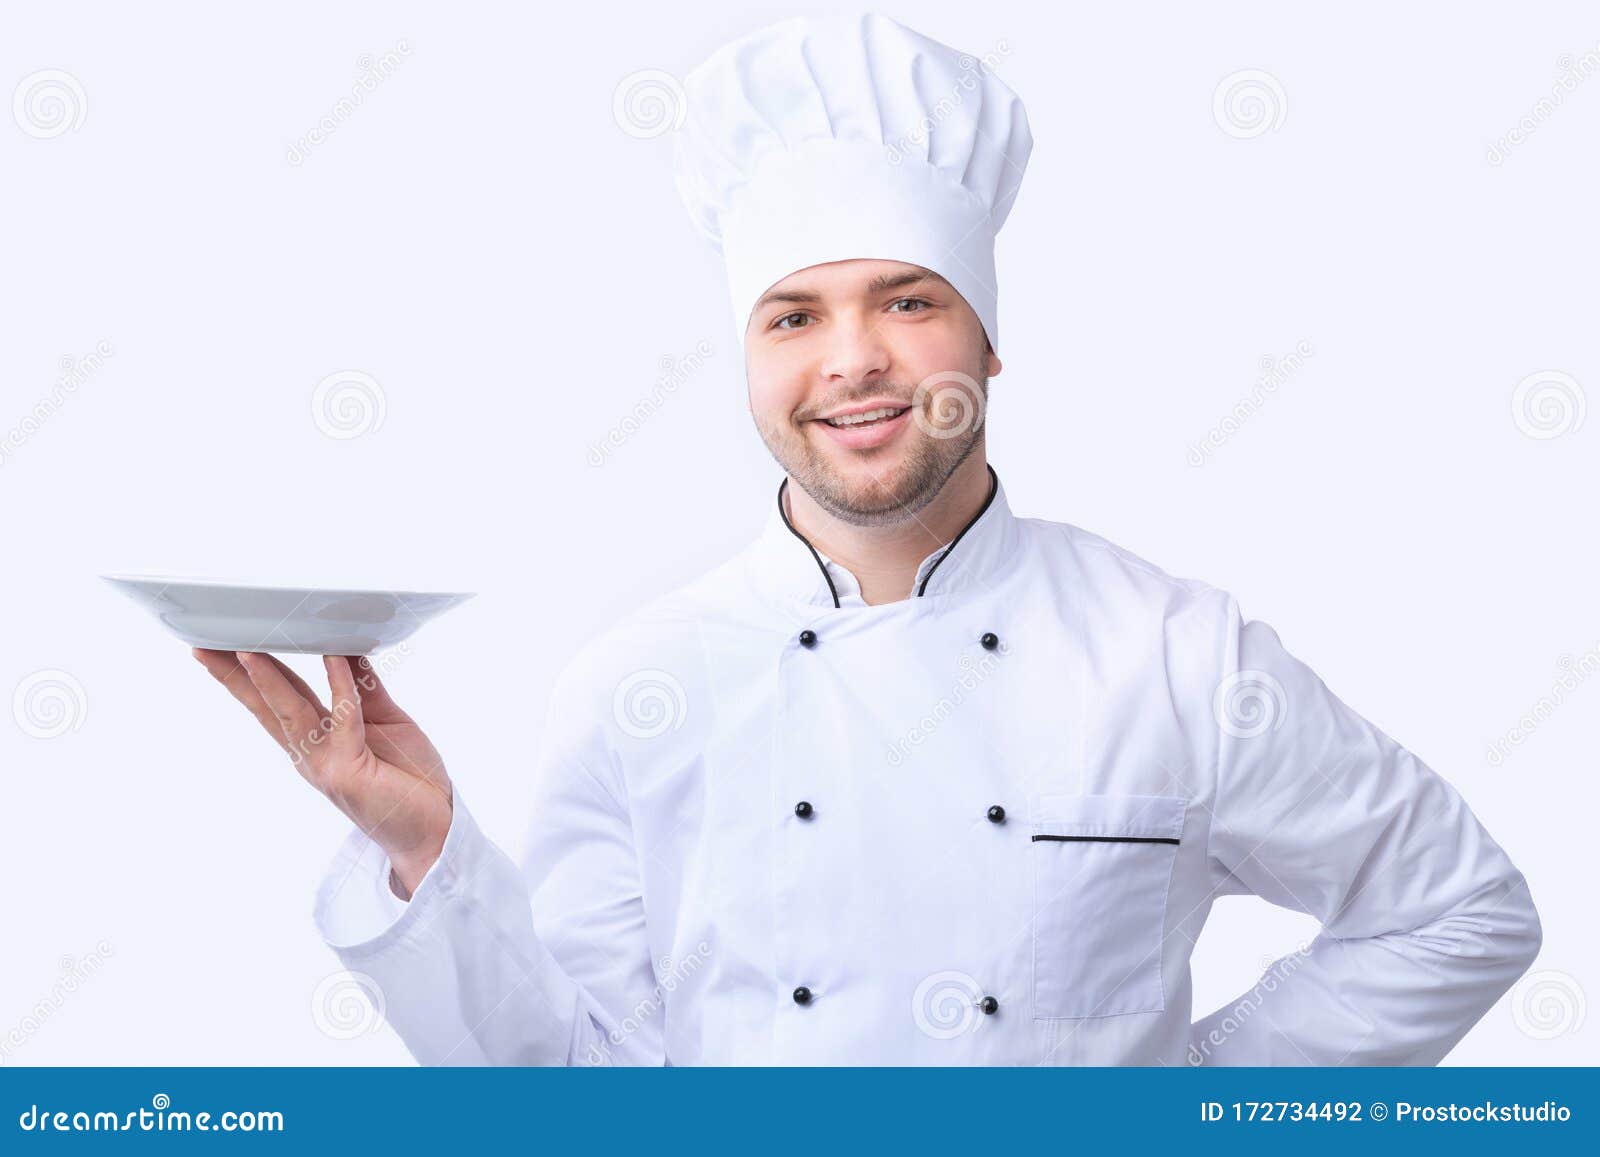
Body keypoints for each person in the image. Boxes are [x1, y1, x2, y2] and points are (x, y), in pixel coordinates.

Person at [192, 12, 1540, 1066]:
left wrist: (1189, 1100)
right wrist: (427, 852)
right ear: (746, 359)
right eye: (794, 316)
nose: (856, 362)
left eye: (908, 300)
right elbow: (580, 1094)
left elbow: (1459, 910)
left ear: (990, 339)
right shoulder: (636, 685)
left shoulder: (1178, 654)